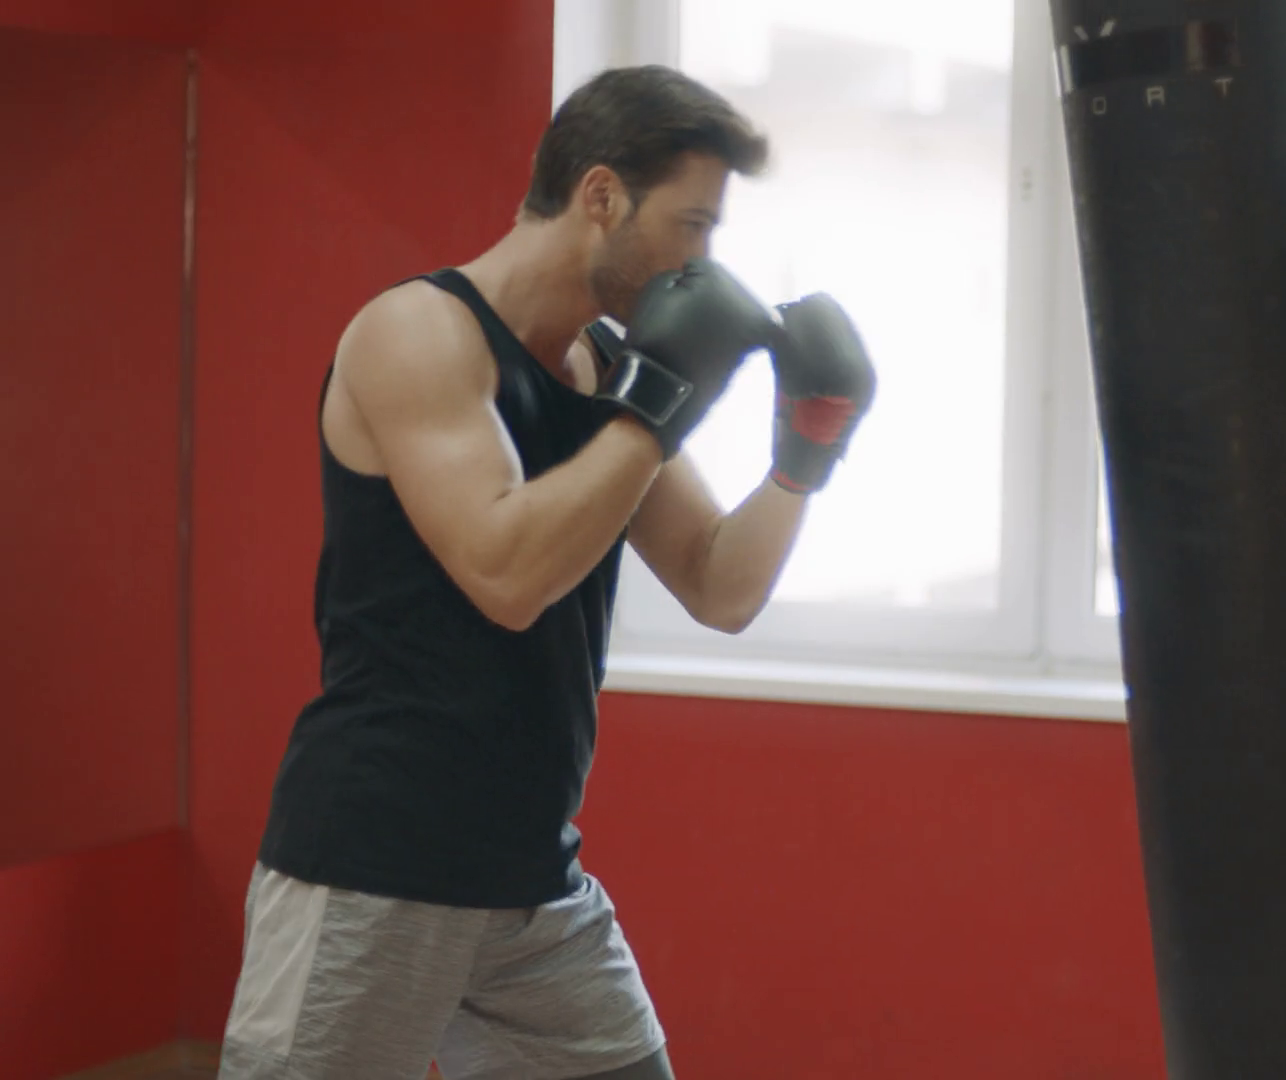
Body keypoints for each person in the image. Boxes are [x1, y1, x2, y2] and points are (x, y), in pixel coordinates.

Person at [216, 66, 876, 1080]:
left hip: (529, 880)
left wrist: (803, 457)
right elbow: (506, 572)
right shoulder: (417, 335)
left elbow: (719, 585)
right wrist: (660, 409)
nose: (704, 259)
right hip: (374, 864)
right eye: (692, 223)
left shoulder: (607, 372)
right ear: (602, 196)